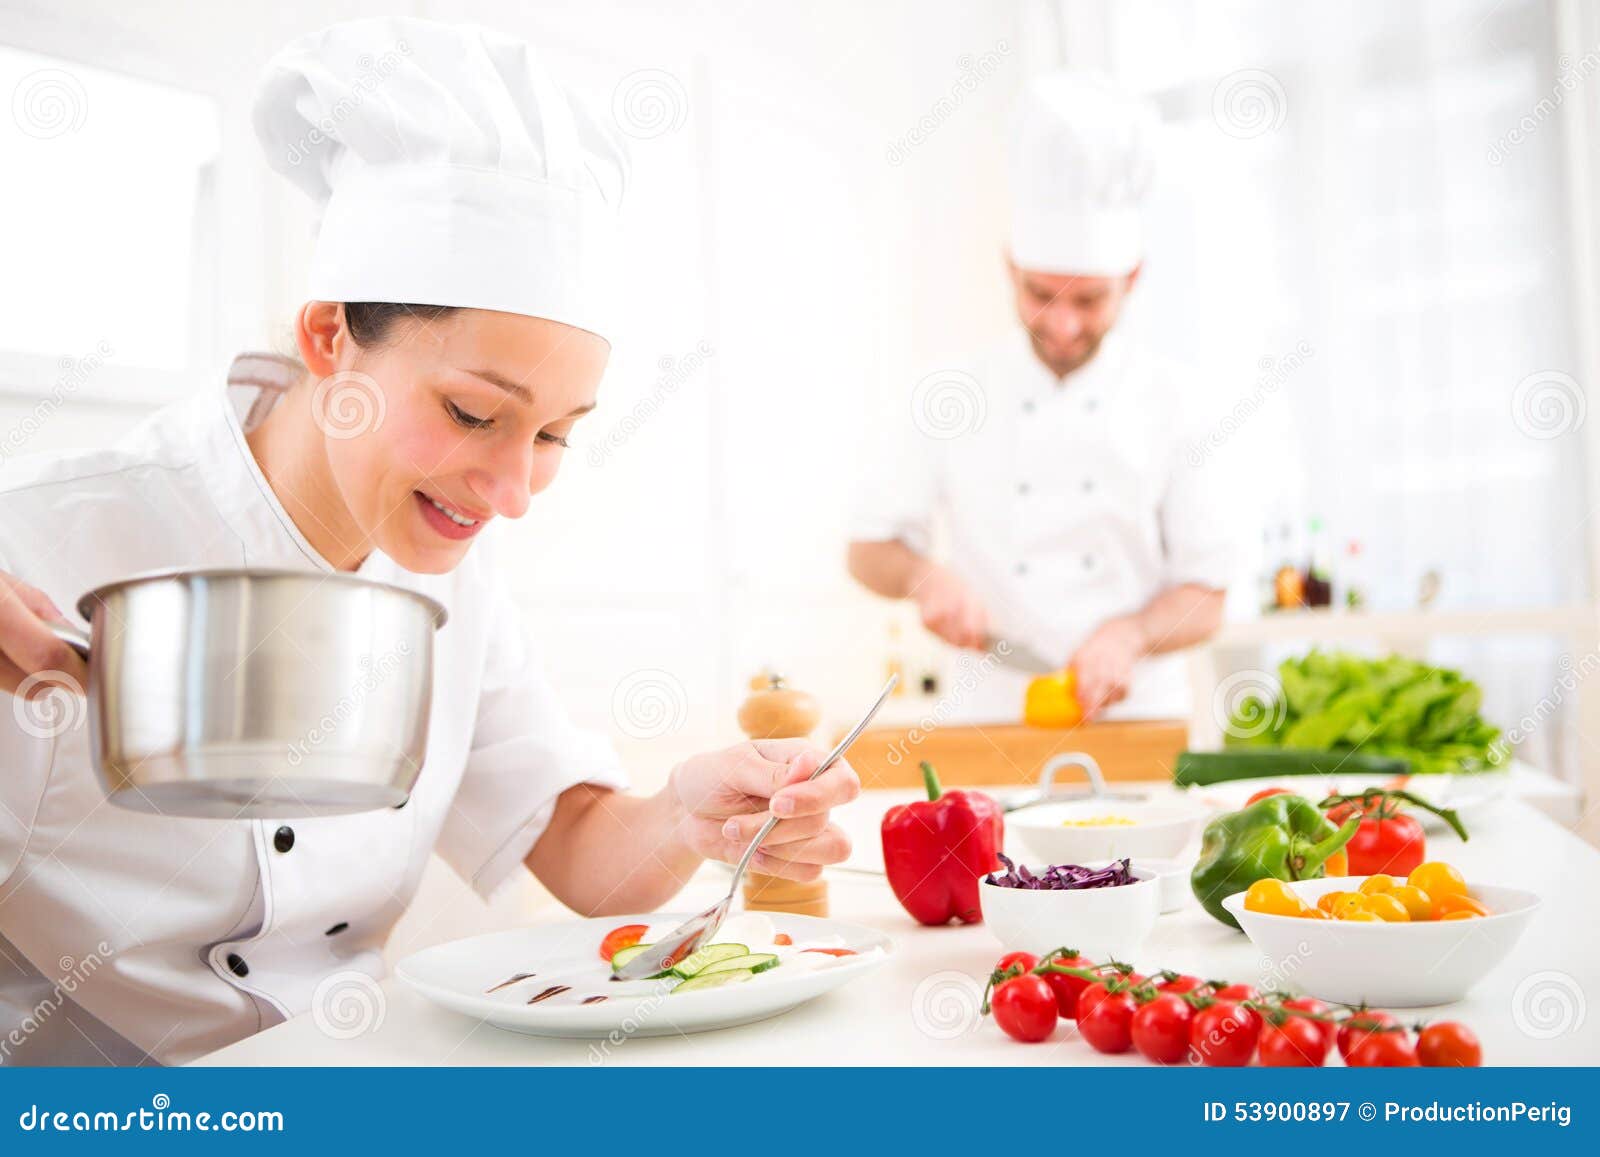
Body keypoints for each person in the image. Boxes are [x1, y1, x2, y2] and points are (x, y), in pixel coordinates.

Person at [0, 18, 856, 1066]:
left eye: (554, 435)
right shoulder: (40, 543)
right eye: (470, 412)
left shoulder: (456, 581)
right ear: (329, 337)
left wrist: (687, 814)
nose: (514, 492)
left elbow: (577, 843)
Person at [848, 72, 1240, 723]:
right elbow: (866, 549)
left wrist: (1131, 635)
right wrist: (924, 578)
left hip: (1135, 719)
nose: (1062, 324)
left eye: (1089, 300)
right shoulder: (950, 392)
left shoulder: (1176, 401)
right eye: (1040, 294)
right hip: (988, 715)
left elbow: (1208, 597)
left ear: (1132, 278)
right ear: (1010, 268)